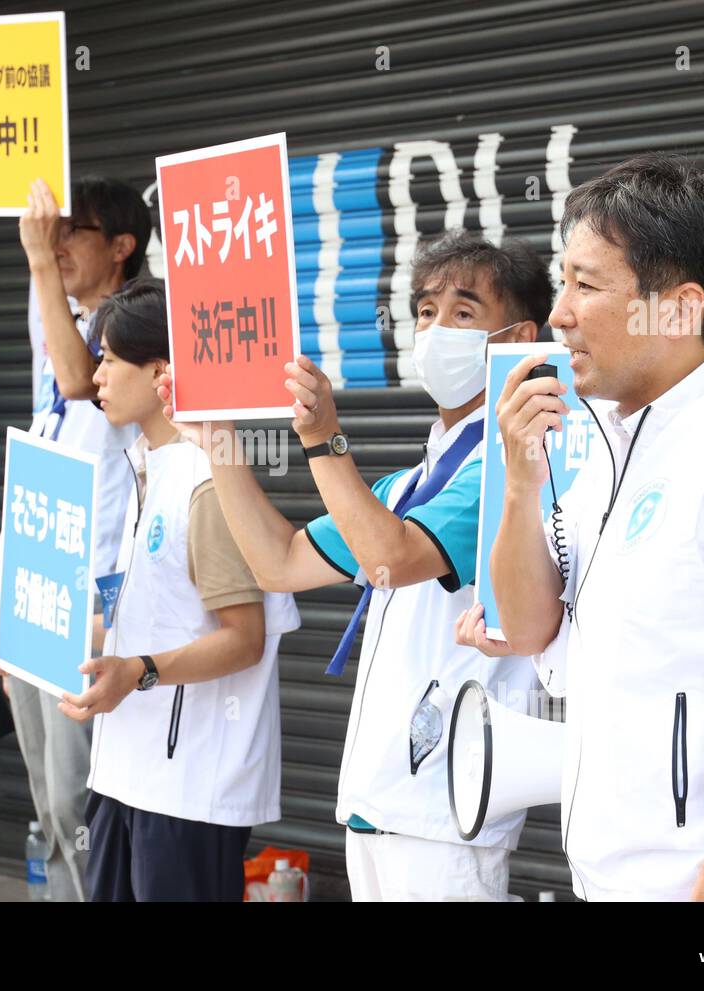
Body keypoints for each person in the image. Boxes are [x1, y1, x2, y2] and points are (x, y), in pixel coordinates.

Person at [469, 152, 704, 901]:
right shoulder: (612, 432)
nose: (559, 314)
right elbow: (534, 627)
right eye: (560, 282)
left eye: (586, 284)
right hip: (610, 874)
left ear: (678, 308)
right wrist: (519, 479)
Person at [158, 232, 552, 901]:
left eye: (462, 313)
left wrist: (324, 437)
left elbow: (390, 557)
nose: (433, 330)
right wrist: (218, 441)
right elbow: (278, 562)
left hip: (444, 817)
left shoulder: (507, 466)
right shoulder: (405, 488)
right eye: (425, 312)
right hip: (382, 808)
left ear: (519, 337)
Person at [0, 278, 298, 901]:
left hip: (189, 791)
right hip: (126, 773)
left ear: (161, 369)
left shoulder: (209, 482)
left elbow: (244, 640)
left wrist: (139, 671)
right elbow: (147, 616)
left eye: (108, 358)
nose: (94, 375)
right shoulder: (148, 467)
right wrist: (39, 635)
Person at [0, 175, 151, 901]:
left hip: (85, 595)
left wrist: (33, 261)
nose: (54, 243)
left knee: (75, 794)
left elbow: (79, 378)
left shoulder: (134, 325)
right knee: (46, 801)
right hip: (36, 575)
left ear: (120, 246)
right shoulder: (60, 311)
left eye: (71, 231)